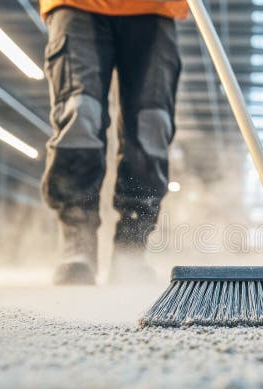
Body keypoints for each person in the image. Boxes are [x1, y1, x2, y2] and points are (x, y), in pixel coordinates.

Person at [38, 0, 188, 285]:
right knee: (80, 111)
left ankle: (130, 248)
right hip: (76, 5)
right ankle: (77, 241)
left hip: (155, 8)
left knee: (151, 123)